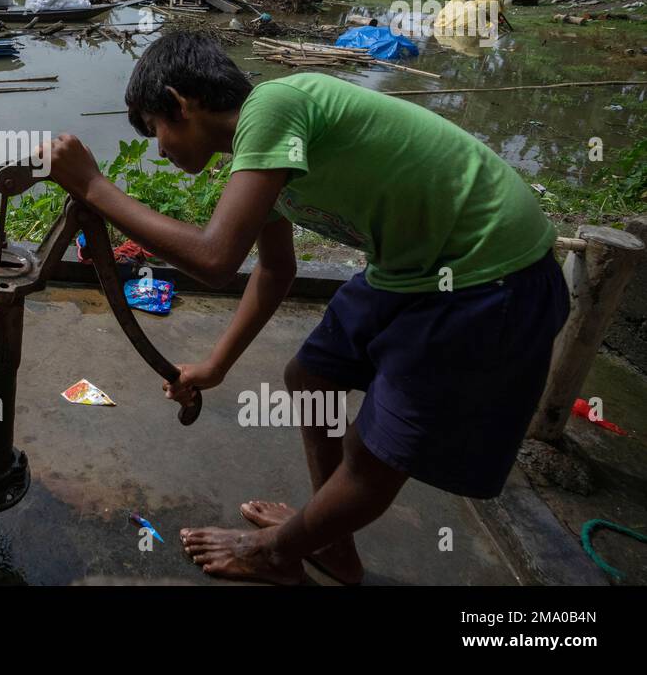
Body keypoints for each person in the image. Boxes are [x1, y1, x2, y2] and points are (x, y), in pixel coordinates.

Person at [38, 31, 568, 584]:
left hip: (491, 272)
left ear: (180, 103)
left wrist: (95, 185)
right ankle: (331, 539)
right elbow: (275, 271)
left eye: (155, 130)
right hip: (414, 267)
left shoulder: (274, 105)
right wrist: (216, 365)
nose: (160, 150)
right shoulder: (265, 153)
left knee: (372, 457)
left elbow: (216, 259)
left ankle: (274, 550)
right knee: (311, 377)